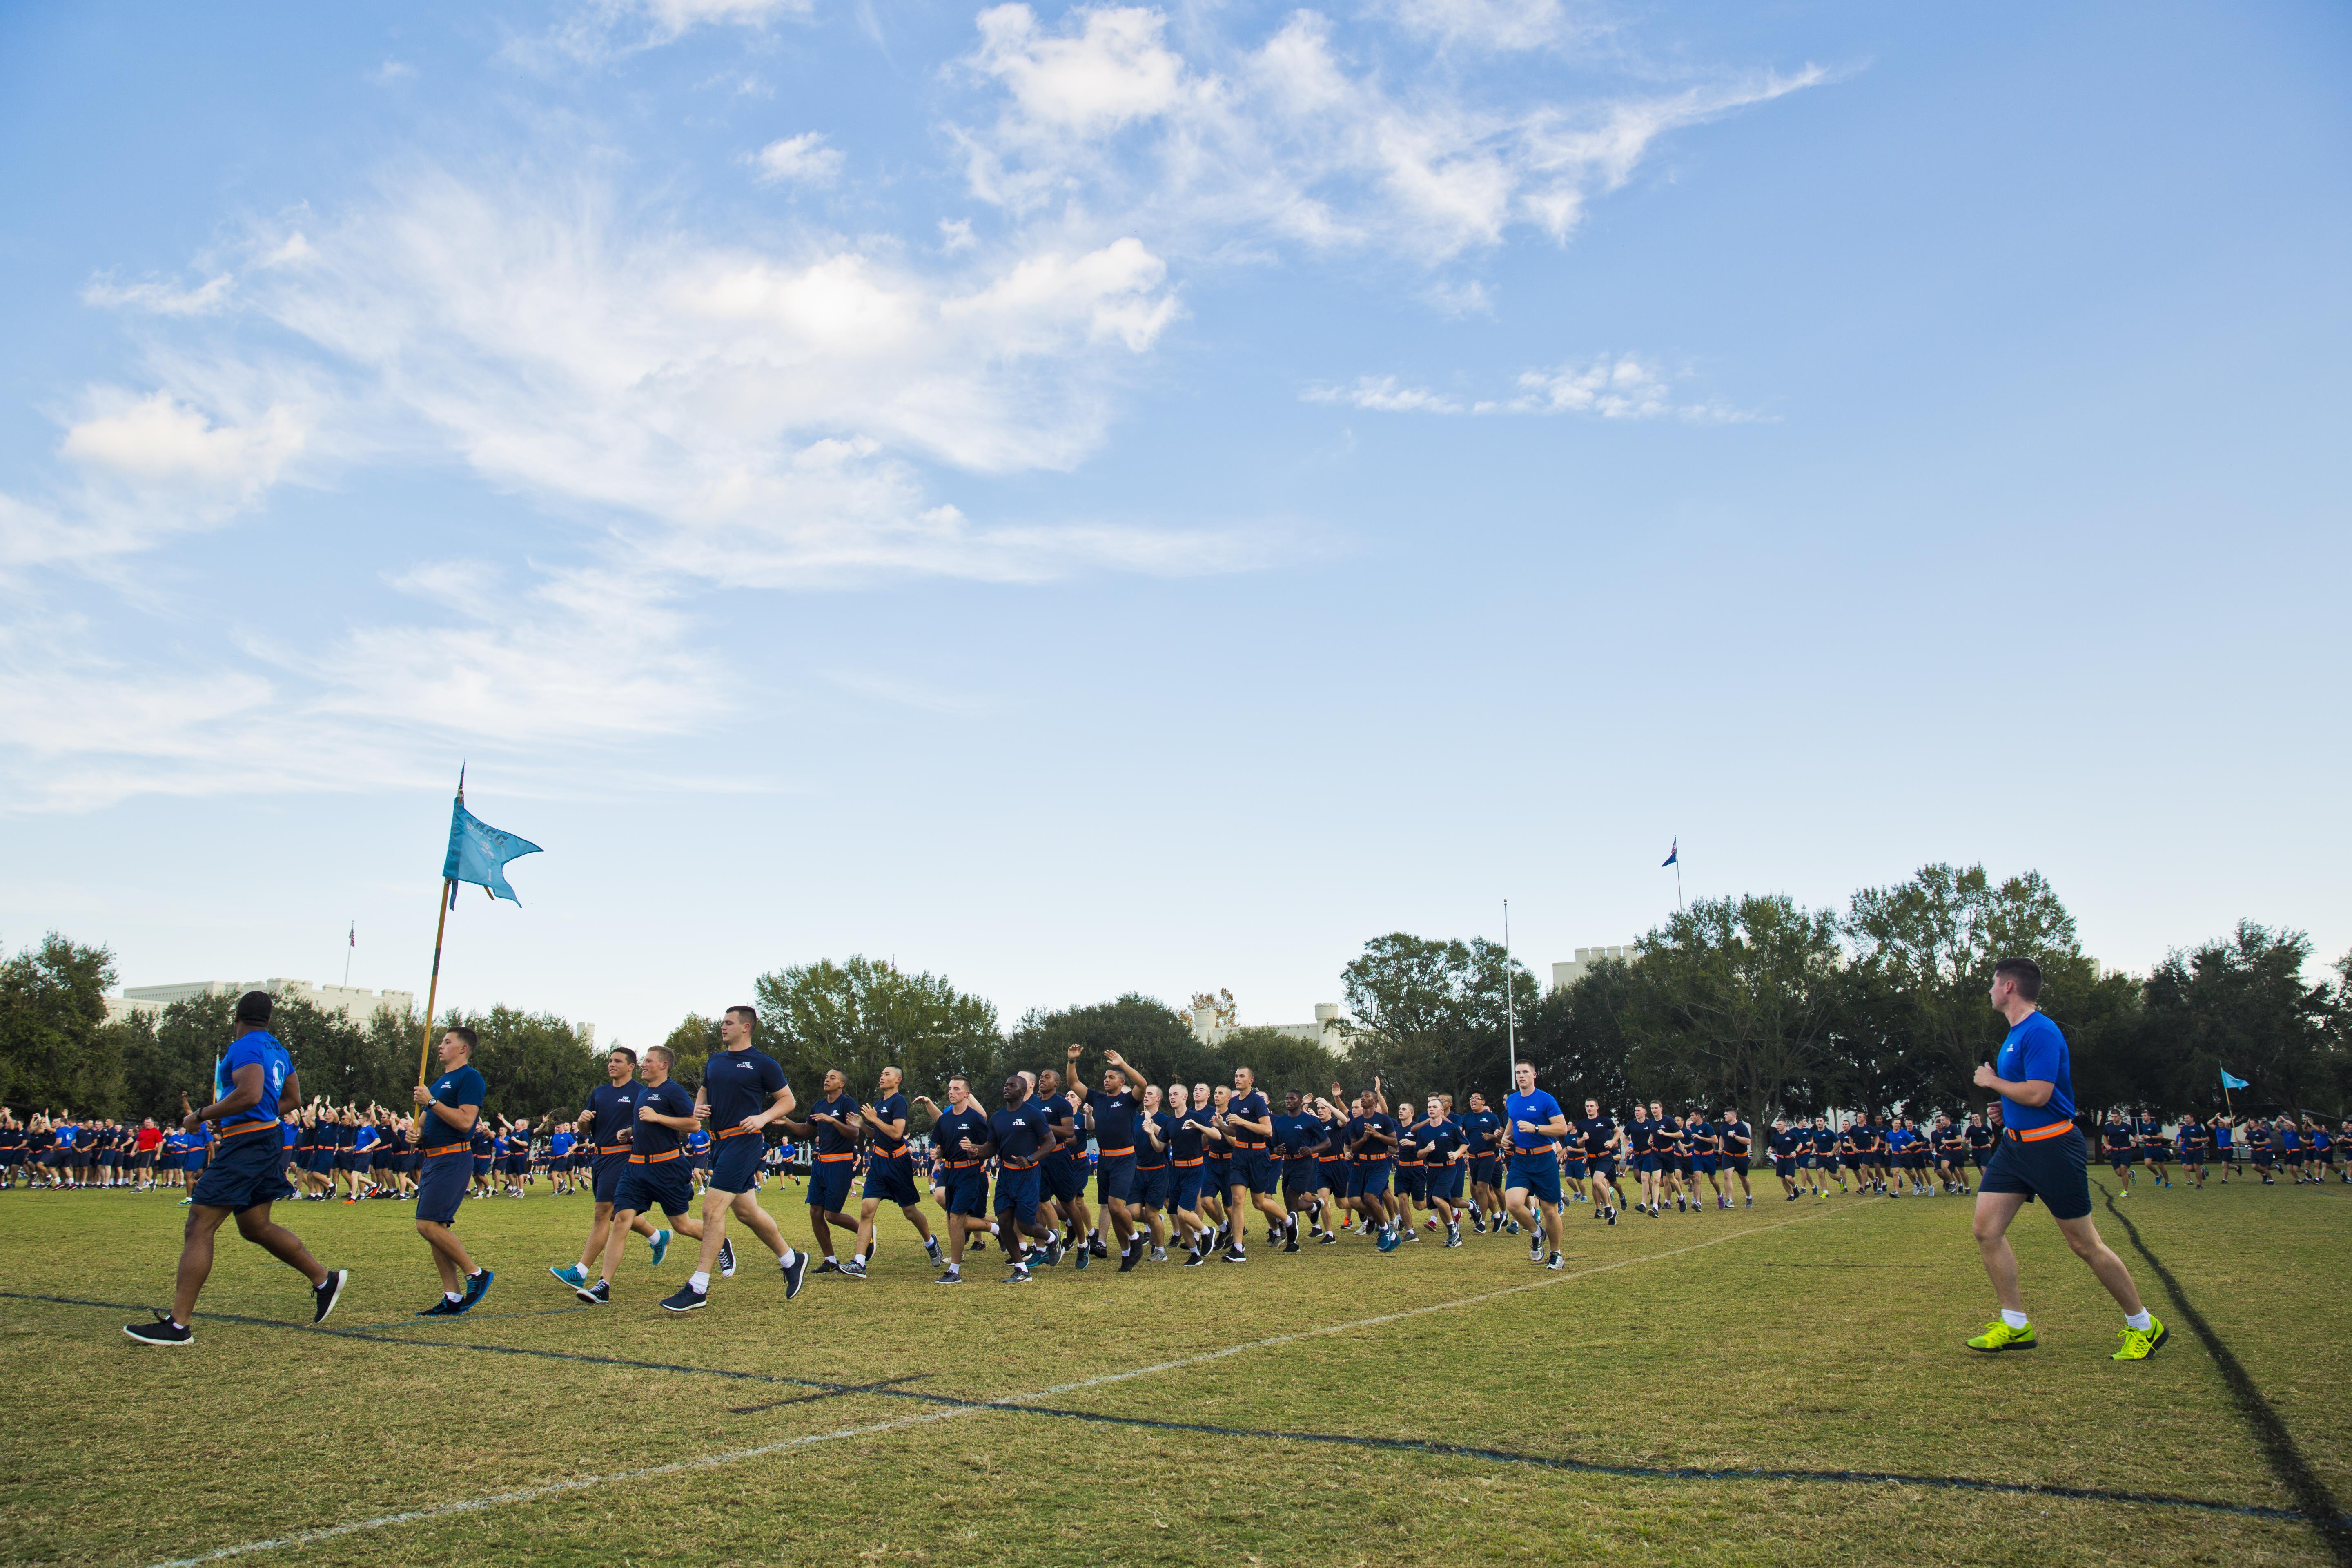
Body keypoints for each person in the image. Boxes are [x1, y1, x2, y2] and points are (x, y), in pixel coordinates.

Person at [1966, 957, 2165, 1360]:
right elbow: (2029, 1093)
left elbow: (2039, 1094)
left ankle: (2145, 1325)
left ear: (2009, 987)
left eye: (1993, 982)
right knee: (1987, 1231)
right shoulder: (2014, 1034)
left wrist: (1992, 1082)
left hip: (2053, 1148)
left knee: (2084, 1244)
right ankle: (2015, 1325)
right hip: (2015, 1148)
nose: (1989, 989)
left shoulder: (2040, 1031)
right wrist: (2006, 1108)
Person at [124, 992, 348, 1345]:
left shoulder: (244, 1046)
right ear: (269, 1020)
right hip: (266, 1138)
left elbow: (249, 1095)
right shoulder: (277, 1048)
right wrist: (243, 1115)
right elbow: (291, 1100)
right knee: (256, 1227)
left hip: (248, 1144)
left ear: (237, 1018)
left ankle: (178, 1326)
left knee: (199, 1225)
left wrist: (200, 1115)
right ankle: (325, 1279)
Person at [665, 1006, 808, 1311]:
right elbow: (704, 1090)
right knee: (747, 1213)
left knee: (711, 1210)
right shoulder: (715, 1061)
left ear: (746, 1027)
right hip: (719, 1144)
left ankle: (698, 1287)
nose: (723, 1027)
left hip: (743, 1142)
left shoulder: (763, 1063)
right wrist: (698, 1108)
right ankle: (791, 1260)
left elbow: (788, 1100)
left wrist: (763, 1118)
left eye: (729, 1023)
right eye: (723, 1022)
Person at [575, 1046, 703, 1305]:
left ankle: (718, 1241)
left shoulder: (673, 1091)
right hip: (635, 1168)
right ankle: (603, 1286)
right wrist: (631, 1132)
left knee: (682, 1225)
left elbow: (694, 1124)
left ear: (664, 1065)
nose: (643, 1065)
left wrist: (658, 1117)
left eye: (648, 1061)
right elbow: (644, 1125)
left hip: (666, 1167)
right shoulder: (643, 1093)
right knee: (621, 1219)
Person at [412, 1026, 495, 1316]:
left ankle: (476, 1274)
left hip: (453, 1159)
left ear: (463, 1049)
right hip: (432, 1159)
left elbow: (465, 1122)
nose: (440, 1046)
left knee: (427, 1225)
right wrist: (416, 1134)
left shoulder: (469, 1078)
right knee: (435, 1229)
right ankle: (453, 1296)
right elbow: (425, 1123)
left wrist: (431, 1101)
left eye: (447, 1042)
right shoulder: (439, 1083)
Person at [844, 1064, 940, 1280]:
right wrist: (863, 1125)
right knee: (867, 1211)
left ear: (898, 1080)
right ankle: (859, 1263)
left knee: (910, 1213)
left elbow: (897, 1134)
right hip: (879, 1163)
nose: (882, 1077)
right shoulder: (879, 1104)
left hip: (898, 1164)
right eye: (881, 1073)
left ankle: (930, 1243)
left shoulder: (899, 1102)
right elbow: (878, 1134)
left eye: (887, 1074)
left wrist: (874, 1119)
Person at [1064, 1045, 1152, 1272]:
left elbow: (1142, 1085)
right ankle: (1126, 1255)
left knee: (1115, 1206)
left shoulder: (1129, 1100)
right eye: (1105, 1077)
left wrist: (1122, 1064)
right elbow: (1073, 1084)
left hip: (1125, 1159)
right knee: (1112, 1210)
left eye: (1111, 1077)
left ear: (1121, 1082)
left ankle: (1135, 1238)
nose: (1106, 1080)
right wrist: (1072, 1061)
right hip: (1104, 1161)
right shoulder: (1098, 1099)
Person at [969, 1075, 1063, 1283]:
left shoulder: (1033, 1114)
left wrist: (1030, 1159)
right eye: (1006, 1085)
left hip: (1028, 1175)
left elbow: (1050, 1143)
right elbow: (991, 1148)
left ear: (1022, 1091)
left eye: (1012, 1086)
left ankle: (1052, 1237)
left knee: (1026, 1226)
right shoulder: (998, 1118)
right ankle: (1021, 1269)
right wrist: (977, 1152)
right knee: (1004, 1223)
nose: (1007, 1088)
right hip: (1006, 1175)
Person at [914, 1076, 994, 1283]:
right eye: (950, 1089)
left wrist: (975, 1150)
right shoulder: (945, 1120)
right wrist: (937, 1154)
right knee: (954, 1220)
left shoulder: (975, 1118)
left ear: (967, 1094)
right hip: (949, 1174)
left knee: (957, 1220)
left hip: (969, 1173)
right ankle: (997, 1228)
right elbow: (941, 1148)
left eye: (956, 1089)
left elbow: (989, 1148)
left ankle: (954, 1271)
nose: (951, 1092)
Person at [1502, 1062, 1568, 1270]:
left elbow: (1562, 1129)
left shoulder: (1546, 1099)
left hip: (1544, 1159)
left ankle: (1556, 1254)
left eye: (1525, 1072)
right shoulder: (1512, 1100)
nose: (1521, 1076)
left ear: (1534, 1075)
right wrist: (1505, 1138)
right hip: (1520, 1160)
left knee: (1549, 1210)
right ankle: (1537, 1233)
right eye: (1518, 1073)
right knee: (1513, 1204)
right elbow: (1512, 1121)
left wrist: (1536, 1128)